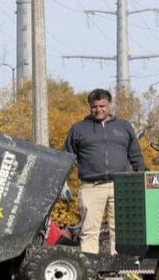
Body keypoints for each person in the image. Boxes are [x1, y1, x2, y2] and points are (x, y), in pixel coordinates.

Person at [62, 88, 145, 261]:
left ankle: (120, 268)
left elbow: (136, 155)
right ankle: (90, 267)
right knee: (89, 230)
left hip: (121, 186)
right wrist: (63, 182)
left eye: (102, 106)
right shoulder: (78, 129)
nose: (98, 110)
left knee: (121, 231)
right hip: (91, 187)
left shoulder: (124, 127)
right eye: (94, 107)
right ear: (89, 106)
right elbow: (66, 157)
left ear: (109, 105)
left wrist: (142, 177)